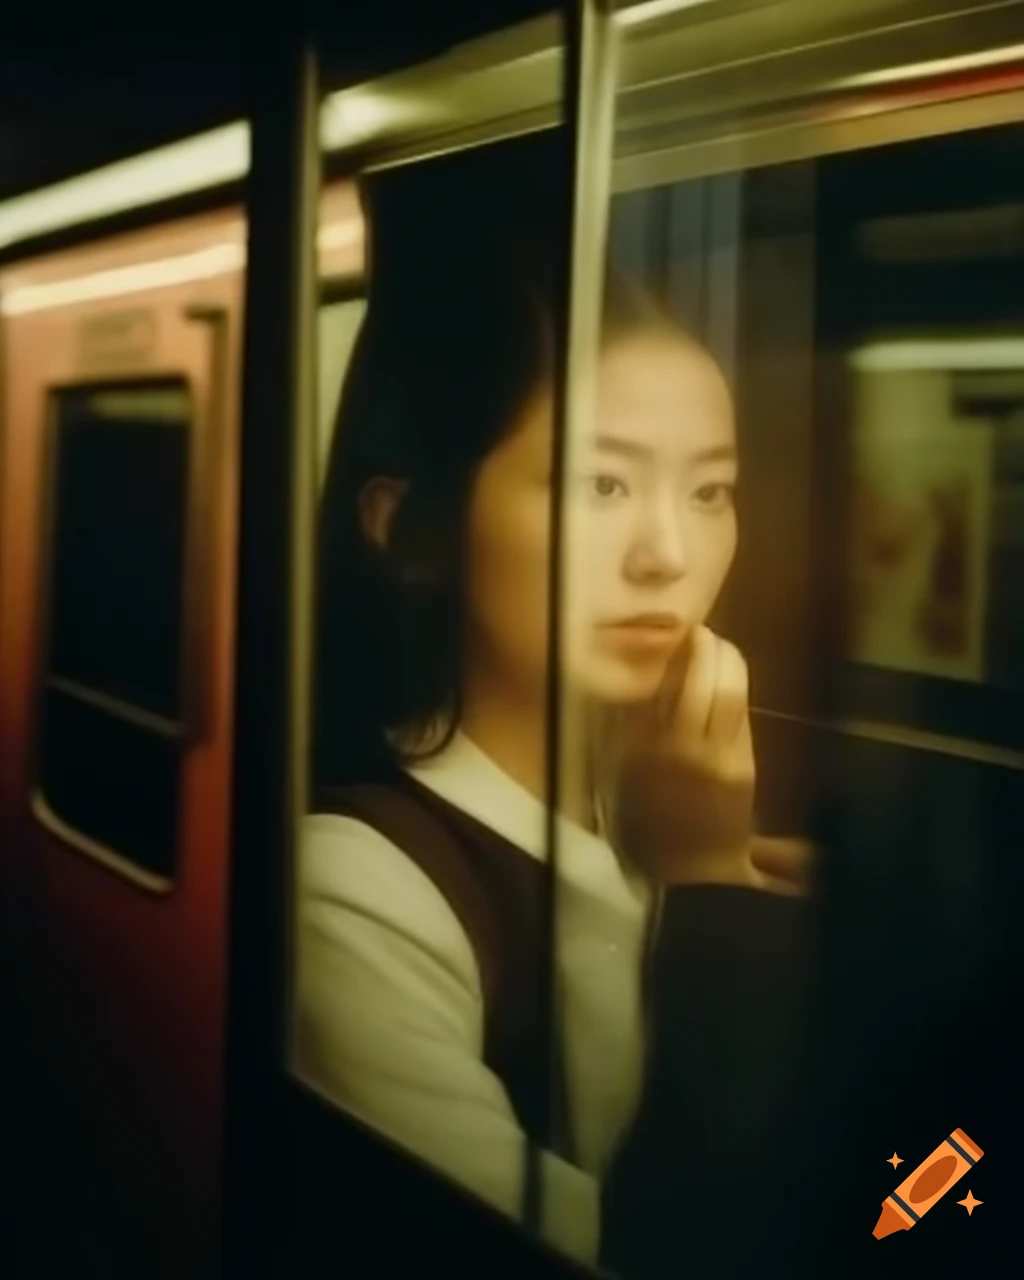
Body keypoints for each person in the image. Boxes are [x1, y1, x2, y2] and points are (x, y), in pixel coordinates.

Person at [294, 137, 811, 1273]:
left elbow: (912, 1176)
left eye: (710, 489)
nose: (669, 554)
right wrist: (716, 901)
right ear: (409, 527)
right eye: (601, 483)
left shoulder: (671, 812)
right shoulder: (354, 891)